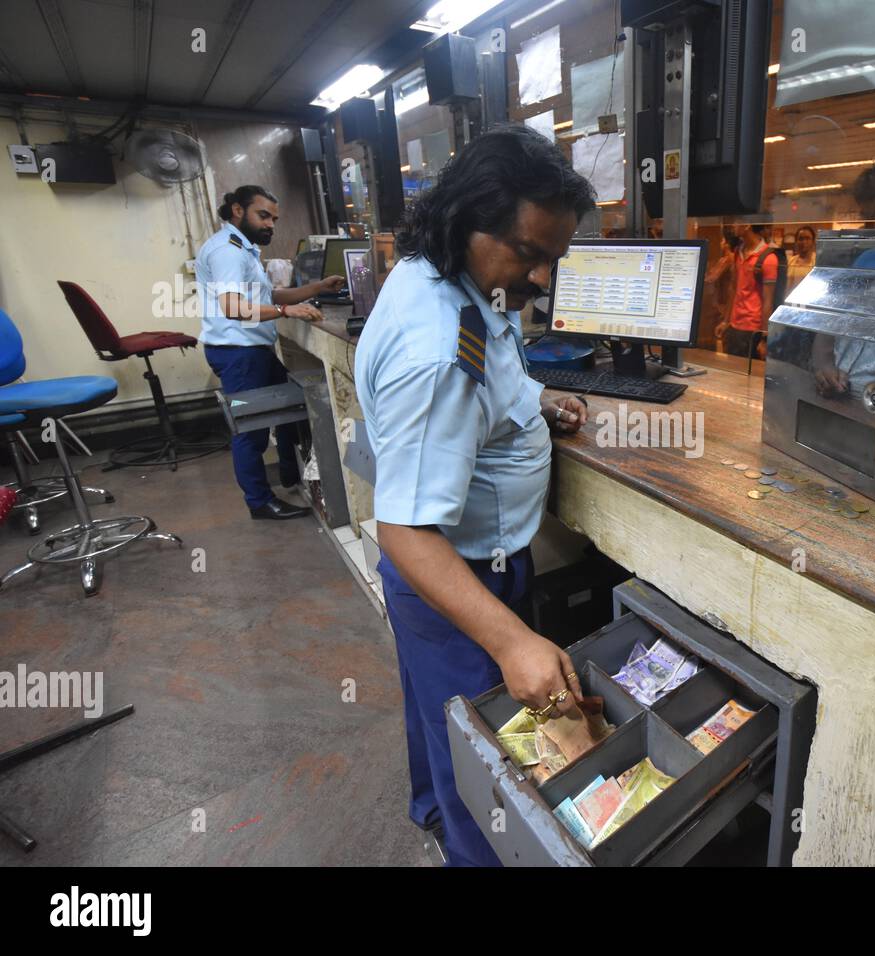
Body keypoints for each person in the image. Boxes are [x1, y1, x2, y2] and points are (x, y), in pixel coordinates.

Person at [354, 126, 594, 867]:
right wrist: (511, 639)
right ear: (468, 220)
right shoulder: (436, 354)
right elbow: (405, 532)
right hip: (454, 578)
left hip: (448, 578)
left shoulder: (448, 279)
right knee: (485, 769)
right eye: (530, 254)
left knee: (441, 720)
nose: (543, 279)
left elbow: (485, 363)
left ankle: (429, 806)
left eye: (554, 257)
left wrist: (530, 400)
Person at [197, 185, 345, 519]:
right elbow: (234, 307)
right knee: (252, 429)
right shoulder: (228, 251)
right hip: (239, 352)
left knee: (297, 402)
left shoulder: (244, 249)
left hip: (249, 350)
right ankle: (259, 502)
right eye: (263, 215)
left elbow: (271, 298)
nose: (270, 224)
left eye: (274, 219)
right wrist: (286, 314)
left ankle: (293, 474)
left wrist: (317, 288)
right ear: (237, 210)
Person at [722, 220, 779, 358]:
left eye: (736, 222)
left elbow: (768, 301)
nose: (733, 226)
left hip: (753, 329)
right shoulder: (738, 252)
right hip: (735, 326)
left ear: (747, 225)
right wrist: (726, 320)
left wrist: (765, 338)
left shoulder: (768, 258)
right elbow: (734, 288)